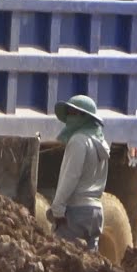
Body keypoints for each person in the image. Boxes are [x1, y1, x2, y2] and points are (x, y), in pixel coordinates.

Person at [47, 95, 109, 251]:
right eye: (69, 112)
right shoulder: (100, 142)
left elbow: (70, 176)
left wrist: (58, 209)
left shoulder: (78, 141)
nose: (69, 117)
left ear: (85, 117)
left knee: (60, 261)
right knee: (90, 267)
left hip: (76, 212)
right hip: (96, 213)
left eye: (74, 113)